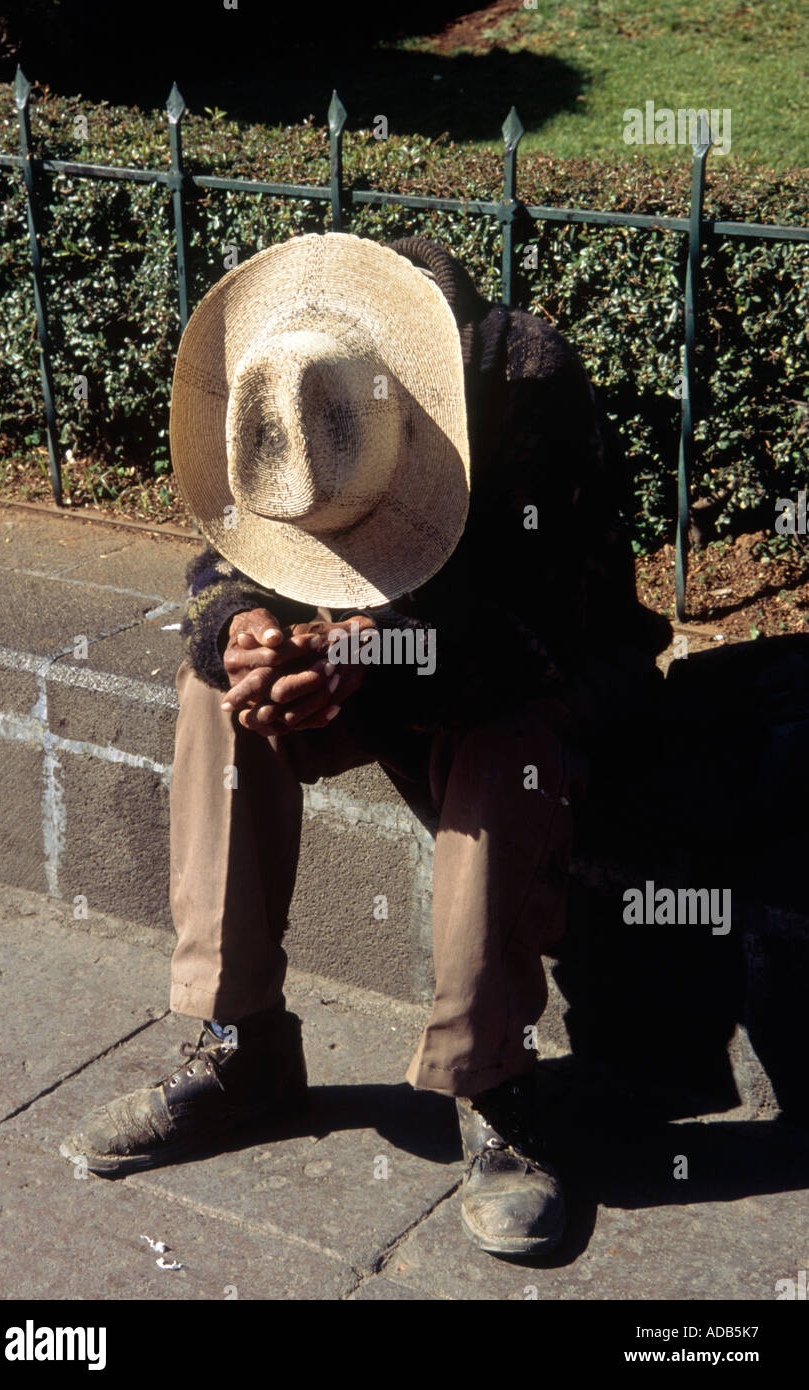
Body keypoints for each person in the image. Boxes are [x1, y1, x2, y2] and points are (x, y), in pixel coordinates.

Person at [60, 232, 670, 1258]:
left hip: (541, 673)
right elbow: (225, 566)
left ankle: (495, 1081)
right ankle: (238, 1042)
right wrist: (248, 636)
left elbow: (546, 629)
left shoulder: (525, 384)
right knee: (216, 692)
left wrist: (377, 644)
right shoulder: (293, 364)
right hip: (372, 661)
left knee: (498, 744)